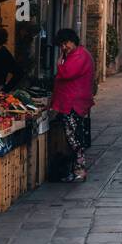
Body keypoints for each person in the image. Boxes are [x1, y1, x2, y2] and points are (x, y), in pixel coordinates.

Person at [50, 30, 96, 183]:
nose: (64, 47)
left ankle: (79, 169)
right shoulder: (74, 54)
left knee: (73, 137)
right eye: (62, 45)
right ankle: (75, 169)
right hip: (70, 101)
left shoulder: (80, 55)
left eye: (66, 43)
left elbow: (67, 73)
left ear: (73, 41)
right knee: (73, 135)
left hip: (74, 102)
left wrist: (59, 63)